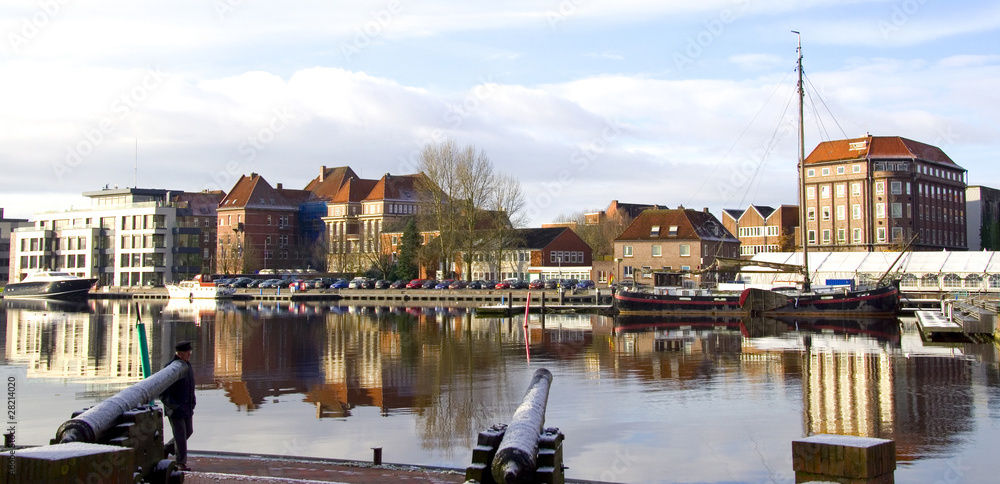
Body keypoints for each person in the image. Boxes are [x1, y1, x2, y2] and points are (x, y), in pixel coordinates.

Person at [160, 341, 196, 471]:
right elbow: (162, 390)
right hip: (175, 409)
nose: (189, 354)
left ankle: (167, 448)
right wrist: (172, 405)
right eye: (187, 353)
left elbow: (190, 386)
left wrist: (193, 402)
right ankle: (180, 463)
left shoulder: (187, 365)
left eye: (190, 352)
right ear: (180, 354)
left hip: (187, 407)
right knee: (180, 436)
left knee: (188, 431)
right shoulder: (170, 368)